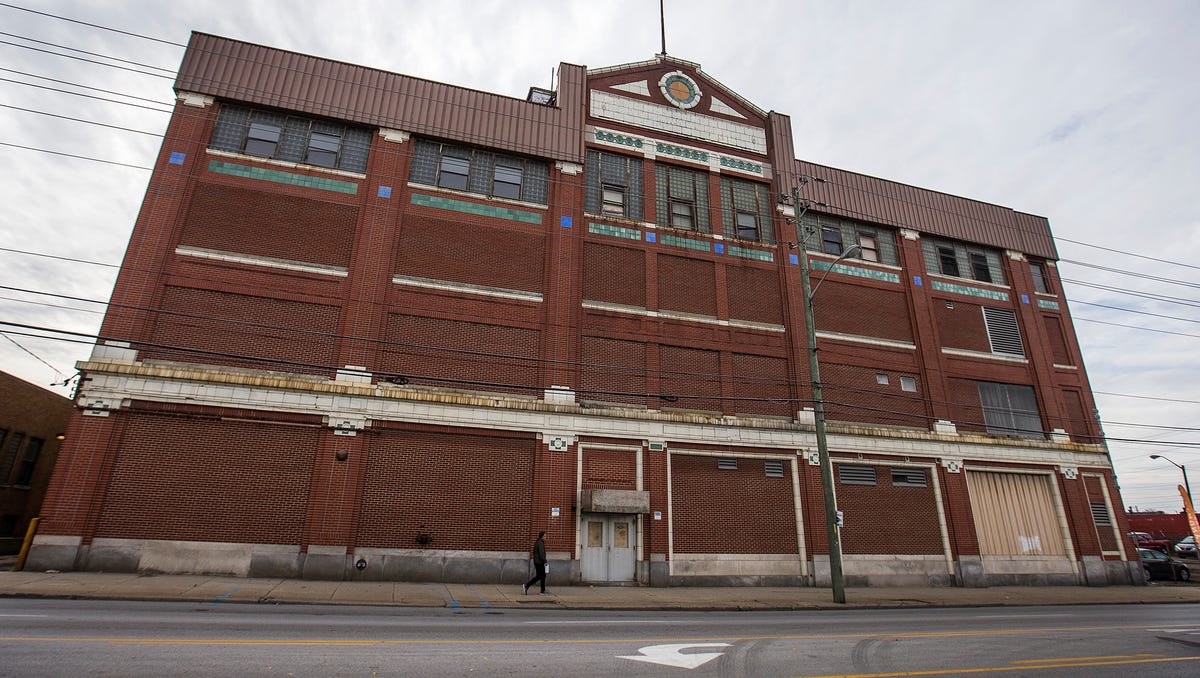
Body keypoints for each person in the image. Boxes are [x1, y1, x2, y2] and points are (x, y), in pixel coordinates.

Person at [522, 531, 548, 595]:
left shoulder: (538, 542)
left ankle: (543, 590)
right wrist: (545, 561)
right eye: (545, 536)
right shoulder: (540, 543)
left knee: (542, 576)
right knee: (540, 576)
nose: (546, 537)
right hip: (539, 562)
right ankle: (527, 585)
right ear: (542, 536)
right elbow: (541, 554)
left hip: (537, 561)